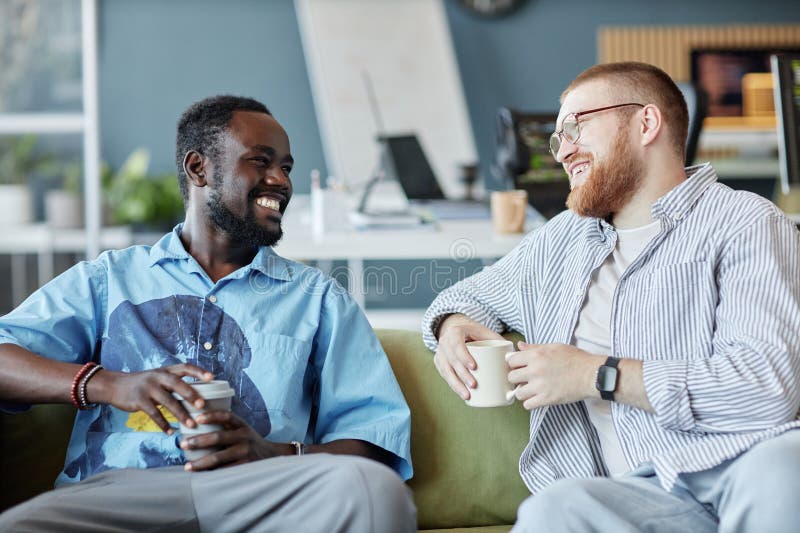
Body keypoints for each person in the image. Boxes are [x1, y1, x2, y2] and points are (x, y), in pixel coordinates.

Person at [0, 95, 415, 532]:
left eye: (287, 168)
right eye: (261, 161)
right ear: (199, 168)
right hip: (120, 495)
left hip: (260, 497)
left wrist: (272, 453)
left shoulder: (318, 299)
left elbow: (374, 442)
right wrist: (108, 384)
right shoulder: (108, 279)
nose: (281, 181)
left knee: (376, 492)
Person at [423, 62, 800, 532]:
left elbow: (766, 388)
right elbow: (466, 297)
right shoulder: (560, 240)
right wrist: (451, 327)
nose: (564, 152)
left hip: (737, 470)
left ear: (646, 123)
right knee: (550, 512)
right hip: (628, 499)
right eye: (559, 138)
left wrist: (595, 374)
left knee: (787, 467)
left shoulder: (746, 223)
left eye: (577, 127)